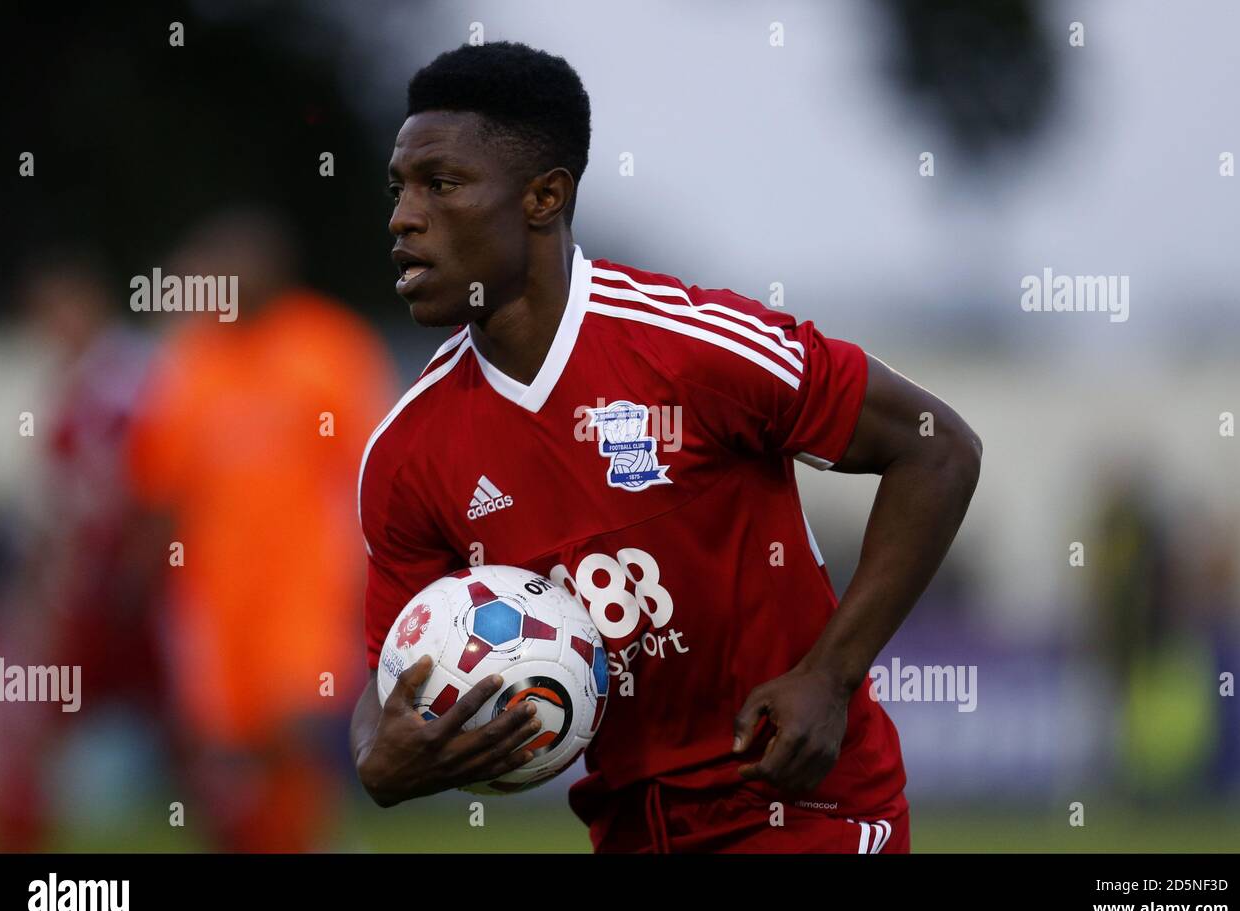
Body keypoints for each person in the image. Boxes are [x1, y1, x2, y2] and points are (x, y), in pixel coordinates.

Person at [350, 42, 981, 853]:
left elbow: (939, 450)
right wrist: (376, 757)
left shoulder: (691, 349)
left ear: (544, 197)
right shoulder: (407, 450)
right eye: (399, 188)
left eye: (440, 185)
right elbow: (386, 674)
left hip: (804, 810)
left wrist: (830, 674)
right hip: (628, 829)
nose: (403, 216)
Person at [129, 210, 396, 851]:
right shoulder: (190, 358)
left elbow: (375, 474)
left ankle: (310, 838)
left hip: (303, 593)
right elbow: (158, 486)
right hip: (212, 598)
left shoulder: (329, 346)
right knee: (219, 754)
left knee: (293, 732)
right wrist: (144, 578)